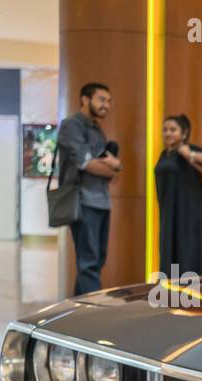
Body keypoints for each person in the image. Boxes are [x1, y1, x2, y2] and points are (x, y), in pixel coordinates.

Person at [58, 82, 120, 294]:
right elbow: (86, 163)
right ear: (85, 99)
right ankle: (92, 316)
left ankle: (78, 312)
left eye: (109, 101)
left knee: (95, 261)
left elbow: (104, 165)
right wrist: (113, 167)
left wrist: (113, 166)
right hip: (84, 202)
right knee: (89, 263)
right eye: (101, 99)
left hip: (101, 202)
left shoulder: (96, 129)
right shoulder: (72, 125)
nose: (106, 105)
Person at [154, 114, 202, 279]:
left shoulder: (191, 150)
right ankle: (172, 294)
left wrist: (191, 155)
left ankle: (195, 296)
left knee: (190, 252)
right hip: (170, 213)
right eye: (165, 130)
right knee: (170, 251)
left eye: (173, 130)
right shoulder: (164, 154)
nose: (168, 133)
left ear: (183, 133)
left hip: (192, 213)